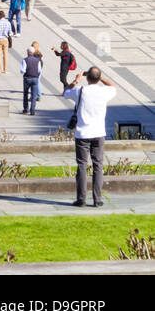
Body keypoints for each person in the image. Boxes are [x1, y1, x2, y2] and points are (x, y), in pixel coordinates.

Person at [63, 67, 117, 207]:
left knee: (82, 165)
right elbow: (113, 86)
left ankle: (81, 199)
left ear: (87, 78)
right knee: (98, 165)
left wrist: (76, 80)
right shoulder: (104, 92)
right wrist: (101, 78)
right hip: (99, 133)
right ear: (98, 78)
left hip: (82, 134)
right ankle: (97, 199)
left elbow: (66, 93)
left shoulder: (80, 90)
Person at [20, 41, 44, 115]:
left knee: (25, 94)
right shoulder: (37, 61)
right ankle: (32, 111)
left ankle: (25, 109)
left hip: (27, 78)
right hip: (35, 79)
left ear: (27, 52)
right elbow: (39, 70)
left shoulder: (25, 60)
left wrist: (23, 72)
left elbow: (22, 70)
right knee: (34, 96)